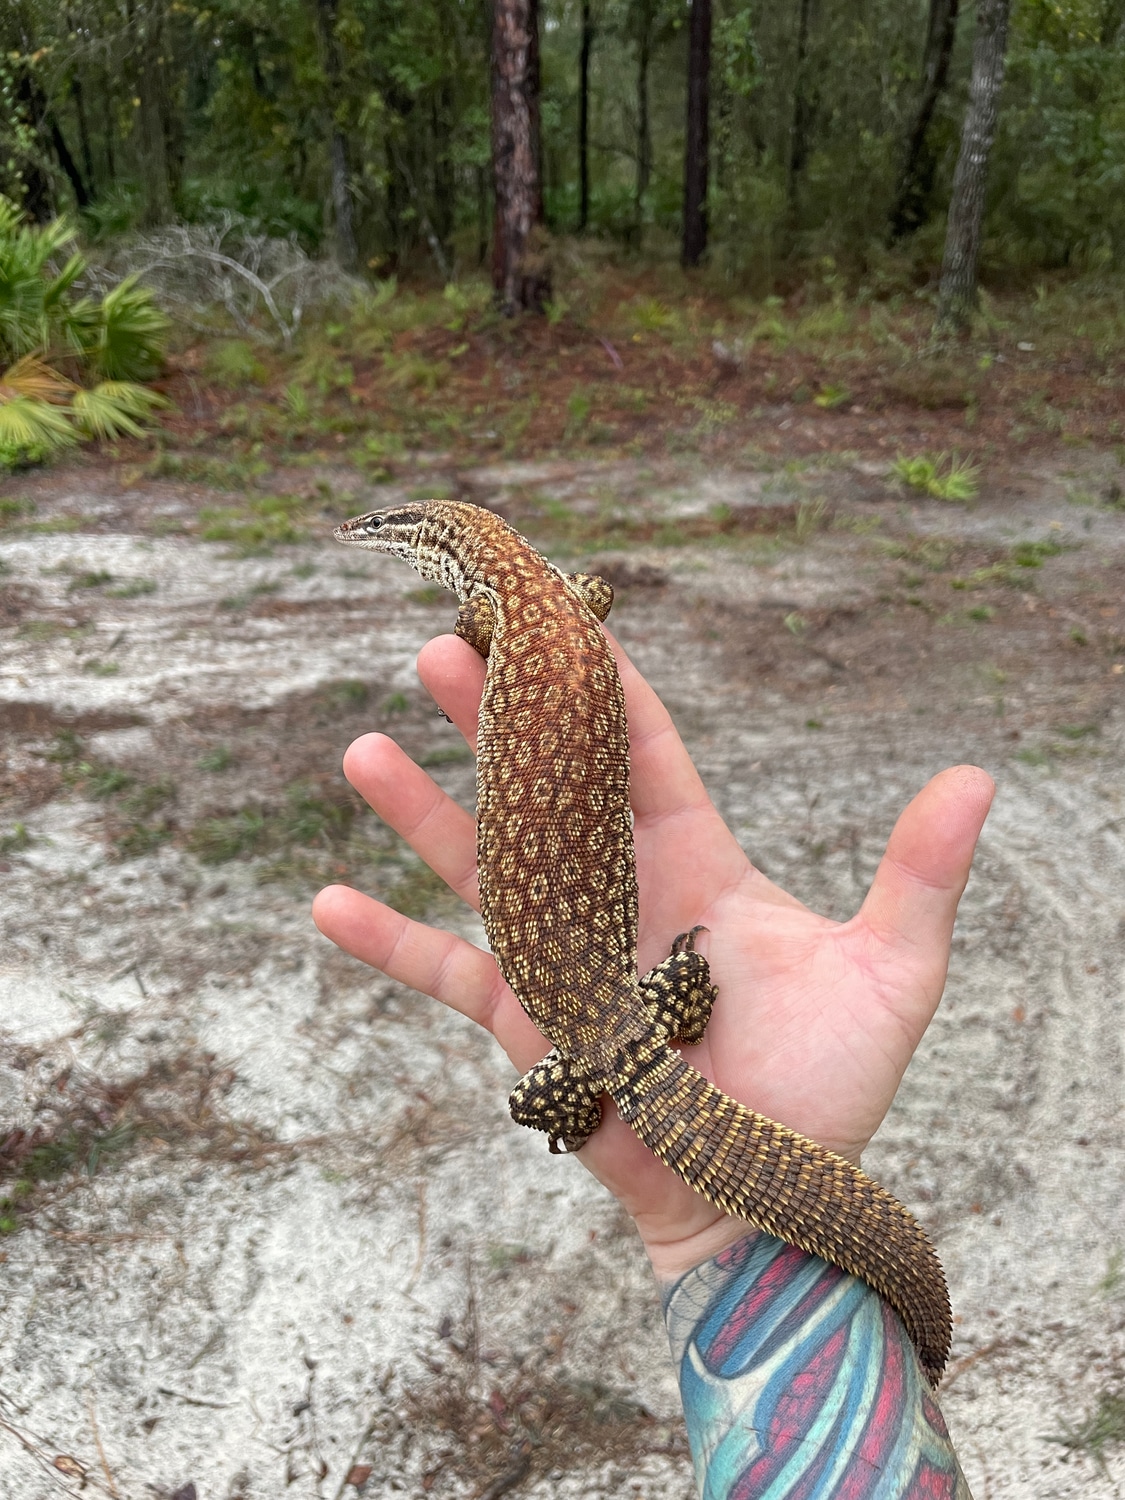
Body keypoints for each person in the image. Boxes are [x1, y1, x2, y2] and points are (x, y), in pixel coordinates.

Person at [312, 627, 993, 1500]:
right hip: (634, 1025)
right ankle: (645, 1028)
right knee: (559, 1083)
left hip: (616, 1037)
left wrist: (627, 1153)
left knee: (541, 1097)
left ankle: (593, 1082)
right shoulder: (553, 613)